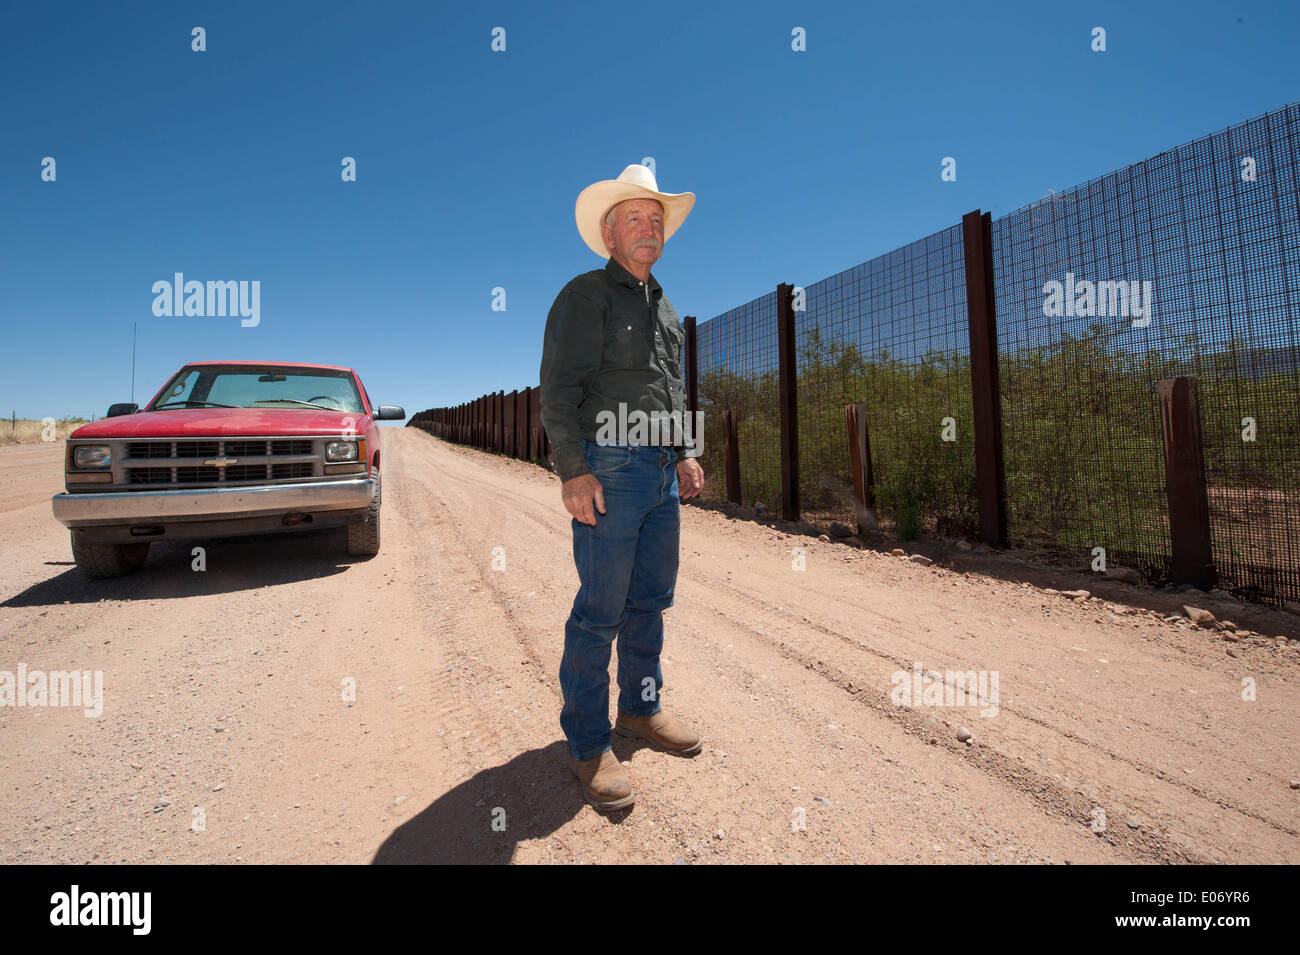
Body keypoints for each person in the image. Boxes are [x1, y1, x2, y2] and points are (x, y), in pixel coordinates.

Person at [539, 163, 706, 811]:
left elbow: (672, 389)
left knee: (649, 599)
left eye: (656, 219)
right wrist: (574, 470)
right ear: (609, 233)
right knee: (600, 608)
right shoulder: (586, 296)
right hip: (607, 465)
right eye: (635, 217)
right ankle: (586, 742)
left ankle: (639, 710)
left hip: (661, 471)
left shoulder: (665, 305)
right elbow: (559, 390)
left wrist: (686, 452)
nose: (648, 228)